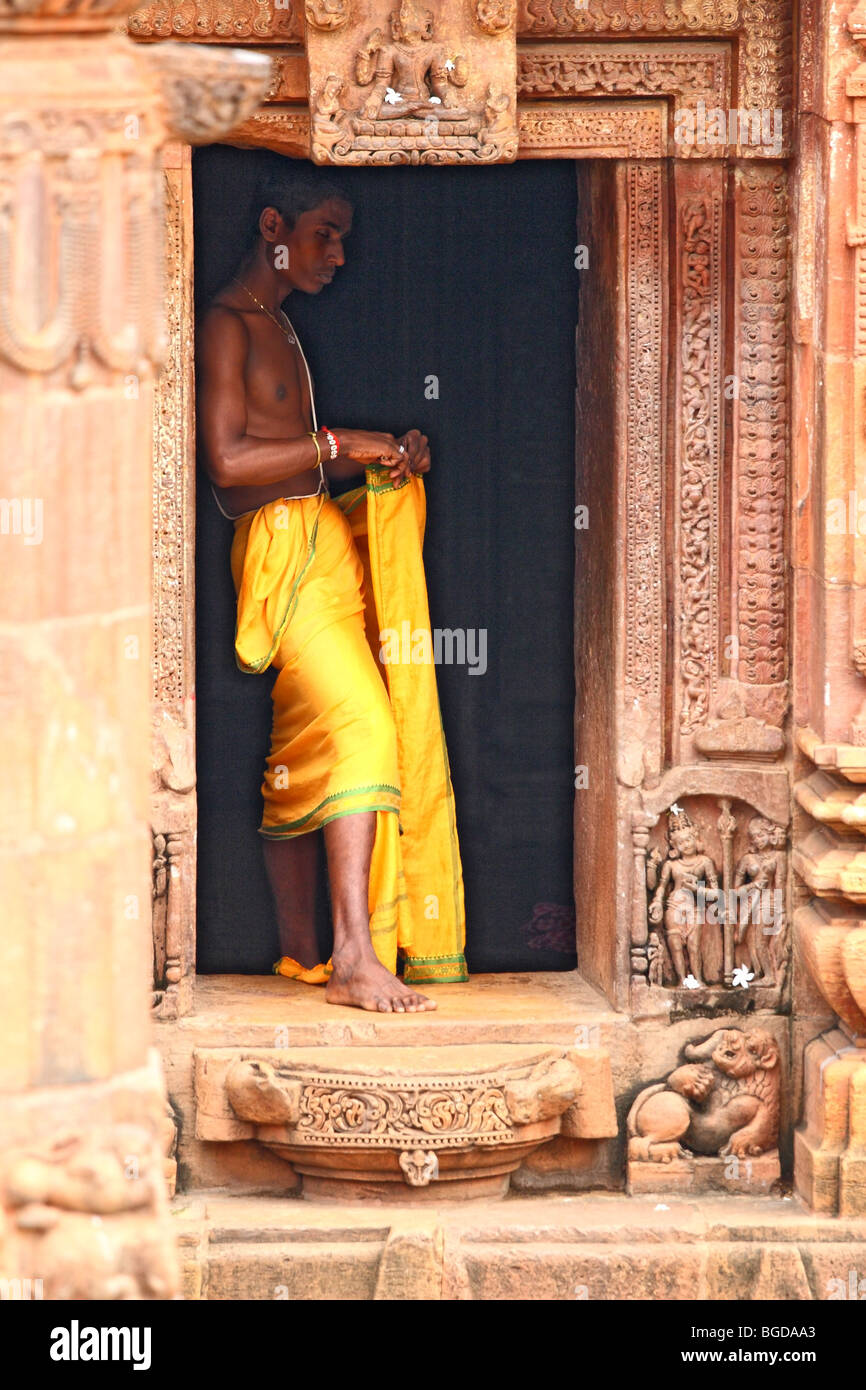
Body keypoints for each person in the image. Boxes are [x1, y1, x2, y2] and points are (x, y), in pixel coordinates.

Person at [196, 176, 466, 1013]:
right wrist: (343, 443)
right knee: (362, 724)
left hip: (326, 551)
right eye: (325, 234)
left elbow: (310, 459)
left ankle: (302, 952)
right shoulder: (226, 326)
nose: (339, 255)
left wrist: (383, 460)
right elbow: (231, 470)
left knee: (303, 741)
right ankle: (354, 956)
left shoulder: (280, 325)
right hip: (279, 553)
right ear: (272, 225)